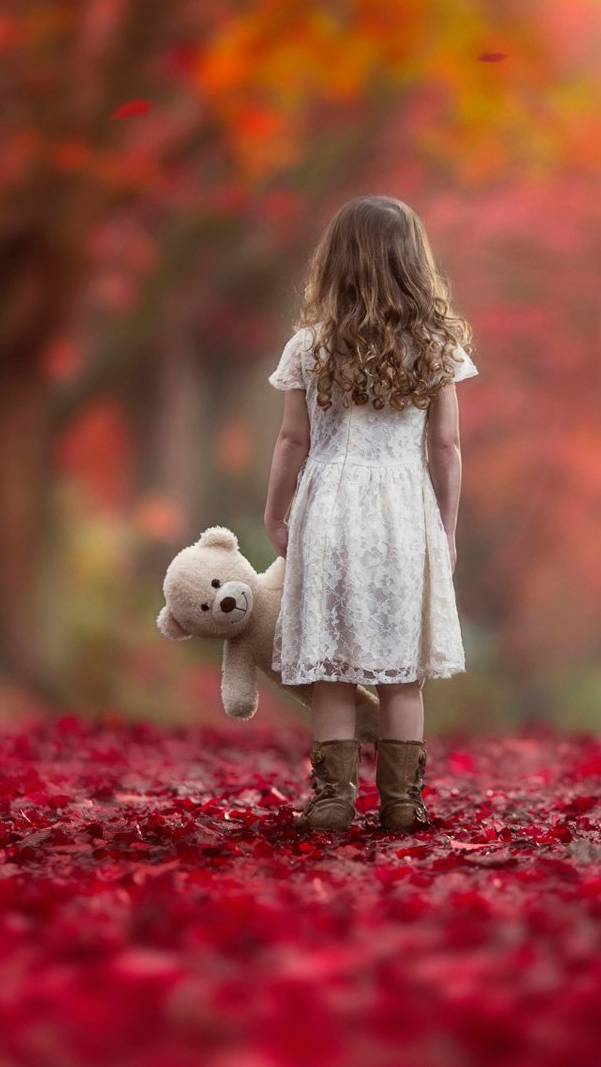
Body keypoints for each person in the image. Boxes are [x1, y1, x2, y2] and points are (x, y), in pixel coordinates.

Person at [262, 194, 478, 835]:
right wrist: (447, 527)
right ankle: (402, 803)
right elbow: (446, 447)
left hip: (329, 509)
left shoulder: (309, 347)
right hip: (404, 512)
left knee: (331, 668)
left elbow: (292, 442)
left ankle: (332, 801)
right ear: (414, 264)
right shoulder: (435, 349)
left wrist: (277, 514)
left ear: (335, 265)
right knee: (402, 670)